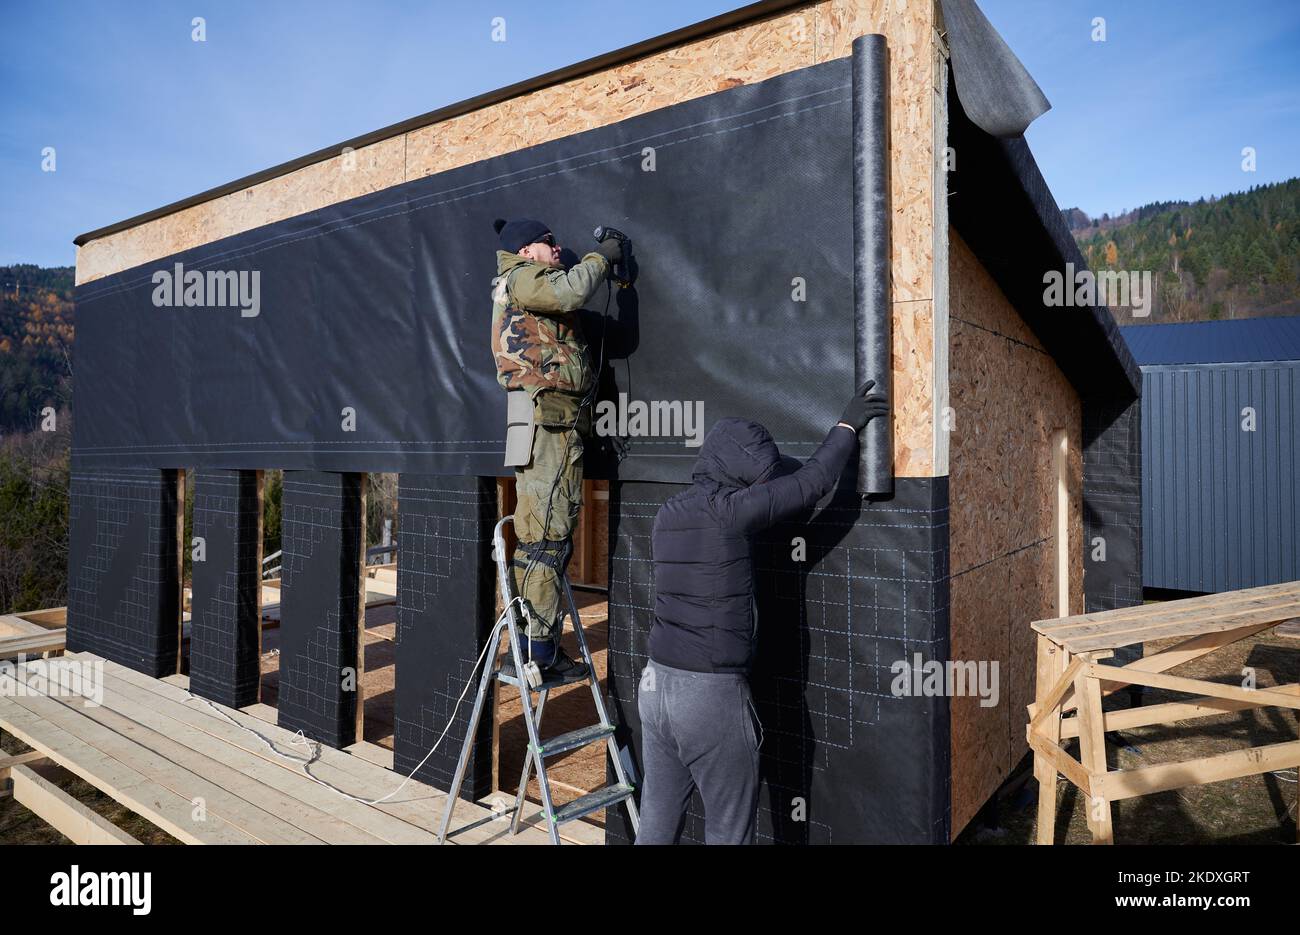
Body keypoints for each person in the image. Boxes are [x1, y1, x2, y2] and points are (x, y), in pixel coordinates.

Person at [634, 382, 889, 844]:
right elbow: (813, 484)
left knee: (656, 820)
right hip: (708, 697)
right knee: (730, 831)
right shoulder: (729, 514)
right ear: (740, 472)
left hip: (655, 687)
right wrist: (848, 425)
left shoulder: (666, 514)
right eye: (760, 477)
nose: (763, 486)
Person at [489, 217, 623, 678]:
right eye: (550, 244)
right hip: (549, 422)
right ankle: (541, 654)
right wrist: (601, 259)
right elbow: (571, 292)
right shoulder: (526, 277)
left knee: (535, 537)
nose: (558, 249)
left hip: (535, 420)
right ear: (528, 251)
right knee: (548, 537)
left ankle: (528, 647)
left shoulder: (516, 285)